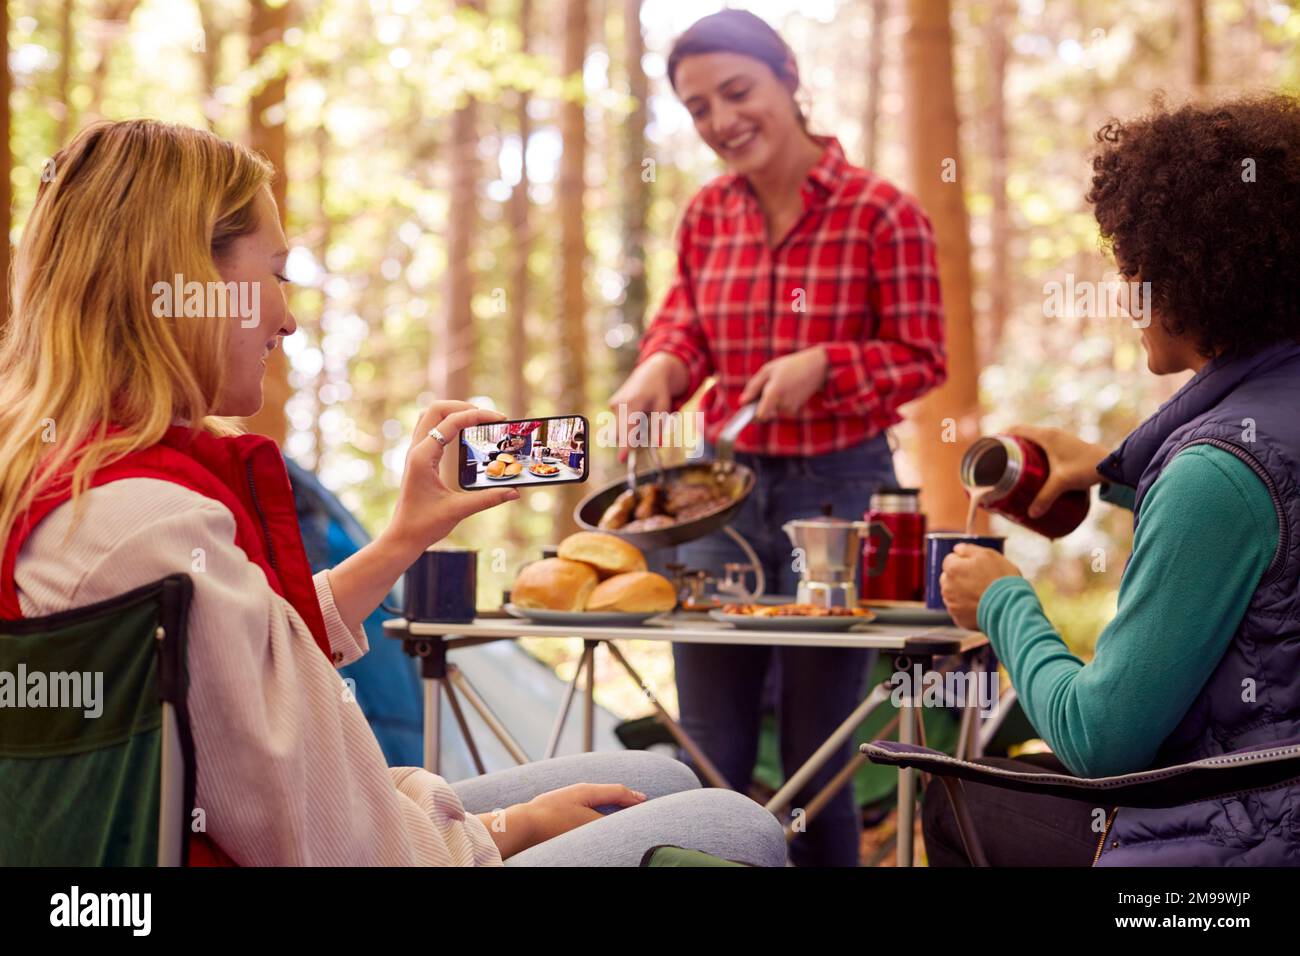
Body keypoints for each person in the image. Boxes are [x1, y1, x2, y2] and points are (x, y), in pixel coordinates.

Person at [0, 119, 787, 868]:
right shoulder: (152, 527)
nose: (291, 318)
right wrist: (498, 832)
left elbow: (258, 656)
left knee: (659, 782)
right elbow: (330, 846)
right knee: (732, 822)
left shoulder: (80, 485)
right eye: (276, 273)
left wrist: (402, 539)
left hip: (305, 834)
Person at [608, 10, 946, 866]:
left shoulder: (883, 213)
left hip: (838, 492)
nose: (720, 121)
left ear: (787, 76)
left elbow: (921, 356)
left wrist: (826, 364)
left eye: (736, 92)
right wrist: (657, 370)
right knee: (709, 749)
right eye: (697, 108)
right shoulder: (706, 215)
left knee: (817, 757)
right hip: (718, 493)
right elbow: (683, 333)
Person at [930, 95, 1300, 866]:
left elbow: (1101, 741)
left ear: (1194, 278)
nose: (1127, 299)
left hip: (1242, 846)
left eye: (1134, 271)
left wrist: (1003, 604)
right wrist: (1109, 470)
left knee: (962, 795)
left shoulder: (1215, 476)